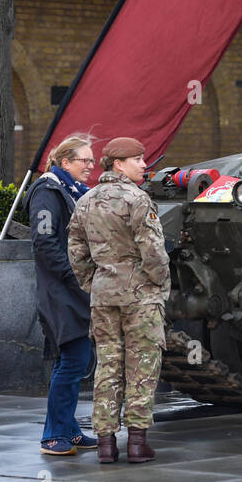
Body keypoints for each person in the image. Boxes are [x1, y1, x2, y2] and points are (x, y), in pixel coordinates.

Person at [67, 137, 169, 464]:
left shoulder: (86, 201)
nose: (143, 165)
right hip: (139, 294)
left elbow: (76, 252)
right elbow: (153, 252)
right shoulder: (137, 200)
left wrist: (94, 282)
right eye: (137, 160)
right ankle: (137, 443)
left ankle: (106, 444)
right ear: (118, 164)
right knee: (142, 364)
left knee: (108, 364)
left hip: (103, 293)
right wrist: (158, 283)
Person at [30, 135, 96, 456]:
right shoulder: (48, 191)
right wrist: (76, 277)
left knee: (74, 359)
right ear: (65, 162)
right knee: (72, 360)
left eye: (92, 160)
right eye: (84, 160)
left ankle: (68, 429)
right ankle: (53, 434)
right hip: (61, 291)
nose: (90, 166)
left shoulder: (72, 191)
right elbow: (44, 245)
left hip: (70, 289)